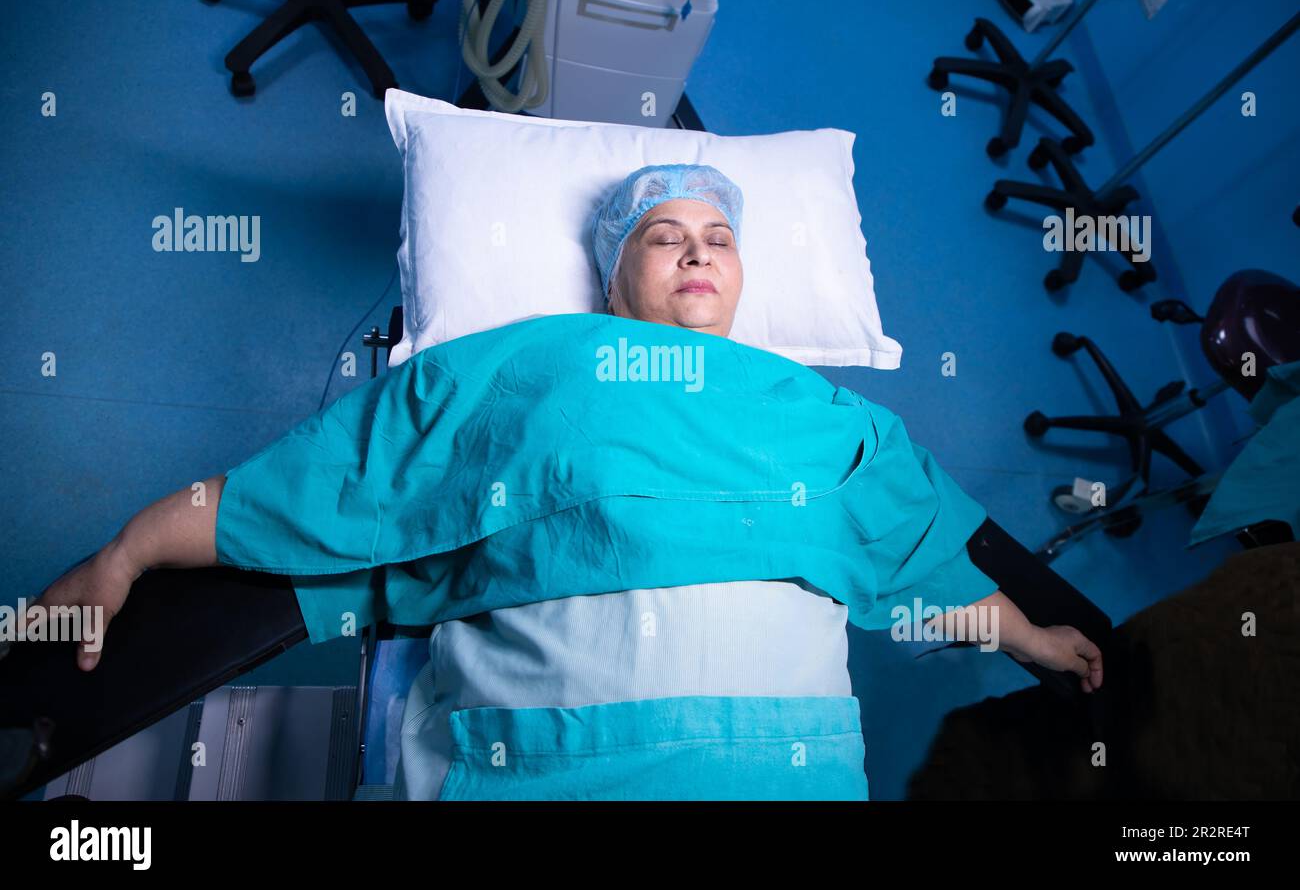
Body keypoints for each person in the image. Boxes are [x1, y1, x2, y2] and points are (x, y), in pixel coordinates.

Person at [25, 163, 1103, 800]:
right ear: (613, 266)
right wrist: (128, 549)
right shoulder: (535, 359)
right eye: (664, 235)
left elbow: (910, 559)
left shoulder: (821, 411)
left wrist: (1036, 640)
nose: (697, 251)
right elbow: (336, 479)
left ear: (741, 275)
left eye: (719, 239)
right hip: (549, 766)